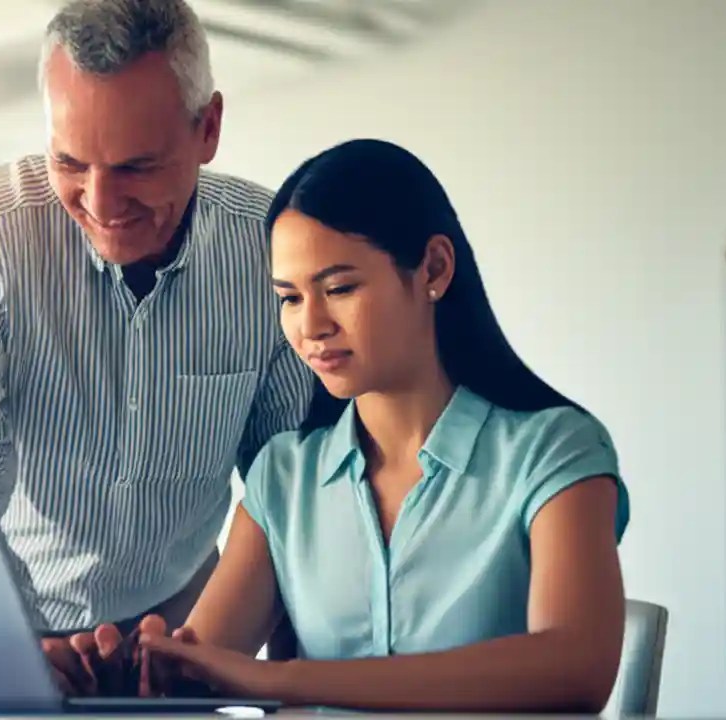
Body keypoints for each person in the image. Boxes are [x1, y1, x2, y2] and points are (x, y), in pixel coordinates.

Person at [67, 139, 631, 712]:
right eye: (288, 297)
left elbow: (575, 667)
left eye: (339, 289)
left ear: (434, 269)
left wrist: (279, 679)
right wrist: (129, 676)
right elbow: (200, 672)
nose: (310, 325)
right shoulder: (285, 478)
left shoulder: (555, 450)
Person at [0, 0, 311, 690]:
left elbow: (289, 500)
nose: (101, 201)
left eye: (136, 167)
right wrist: (6, 651)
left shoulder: (270, 251)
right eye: (70, 162)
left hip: (189, 629)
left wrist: (291, 691)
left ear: (207, 128)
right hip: (11, 620)